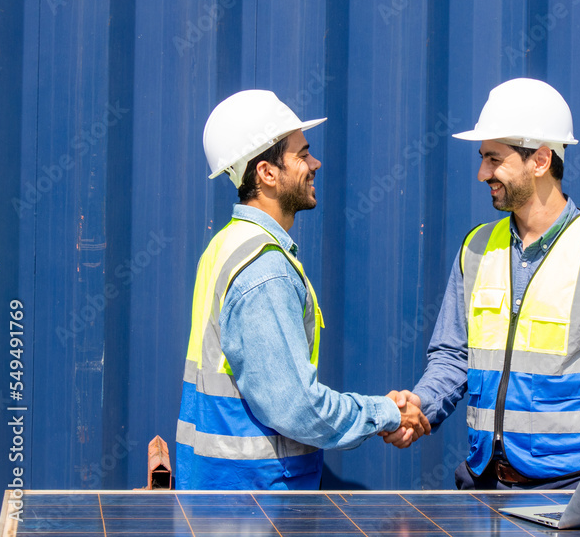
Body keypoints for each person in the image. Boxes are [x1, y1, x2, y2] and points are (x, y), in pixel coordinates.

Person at [383, 78, 580, 489]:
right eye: (483, 158)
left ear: (539, 160)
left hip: (575, 491)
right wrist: (418, 406)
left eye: (494, 159)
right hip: (484, 487)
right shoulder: (477, 247)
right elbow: (452, 356)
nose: (483, 173)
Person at [177, 89, 429, 490]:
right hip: (256, 504)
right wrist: (387, 413)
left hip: (220, 493)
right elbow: (298, 409)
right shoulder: (266, 270)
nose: (315, 163)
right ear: (267, 173)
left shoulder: (227, 244)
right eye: (302, 154)